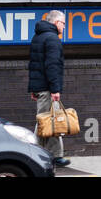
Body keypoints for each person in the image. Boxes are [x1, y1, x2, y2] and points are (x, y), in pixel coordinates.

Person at [28, 10, 70, 168]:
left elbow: (34, 65)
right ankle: (32, 153)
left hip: (42, 87)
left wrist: (34, 88)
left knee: (51, 121)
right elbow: (52, 65)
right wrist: (55, 90)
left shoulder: (38, 36)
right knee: (44, 122)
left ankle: (56, 155)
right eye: (63, 23)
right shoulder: (52, 39)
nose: (64, 27)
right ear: (56, 23)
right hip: (47, 88)